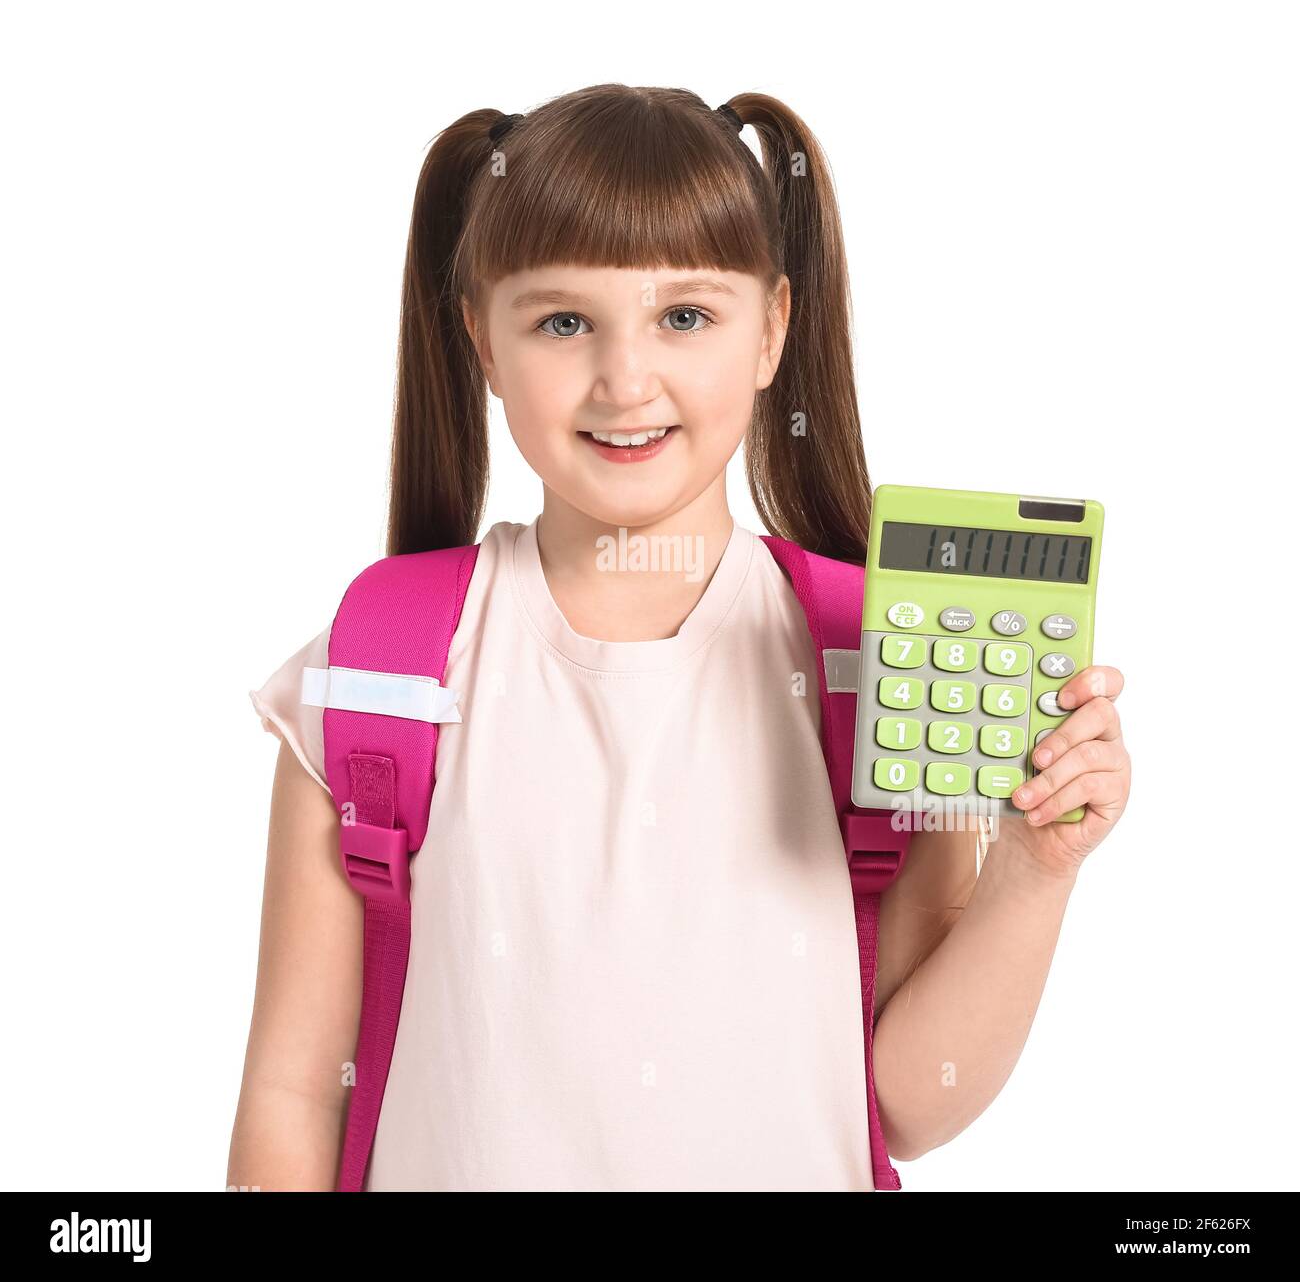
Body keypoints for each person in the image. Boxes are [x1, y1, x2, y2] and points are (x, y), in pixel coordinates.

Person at [227, 84, 1132, 1191]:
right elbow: (293, 1091)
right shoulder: (376, 676)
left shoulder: (869, 663)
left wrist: (1035, 869)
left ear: (773, 331)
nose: (625, 379)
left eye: (685, 317)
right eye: (564, 321)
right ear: (481, 339)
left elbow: (905, 1100)